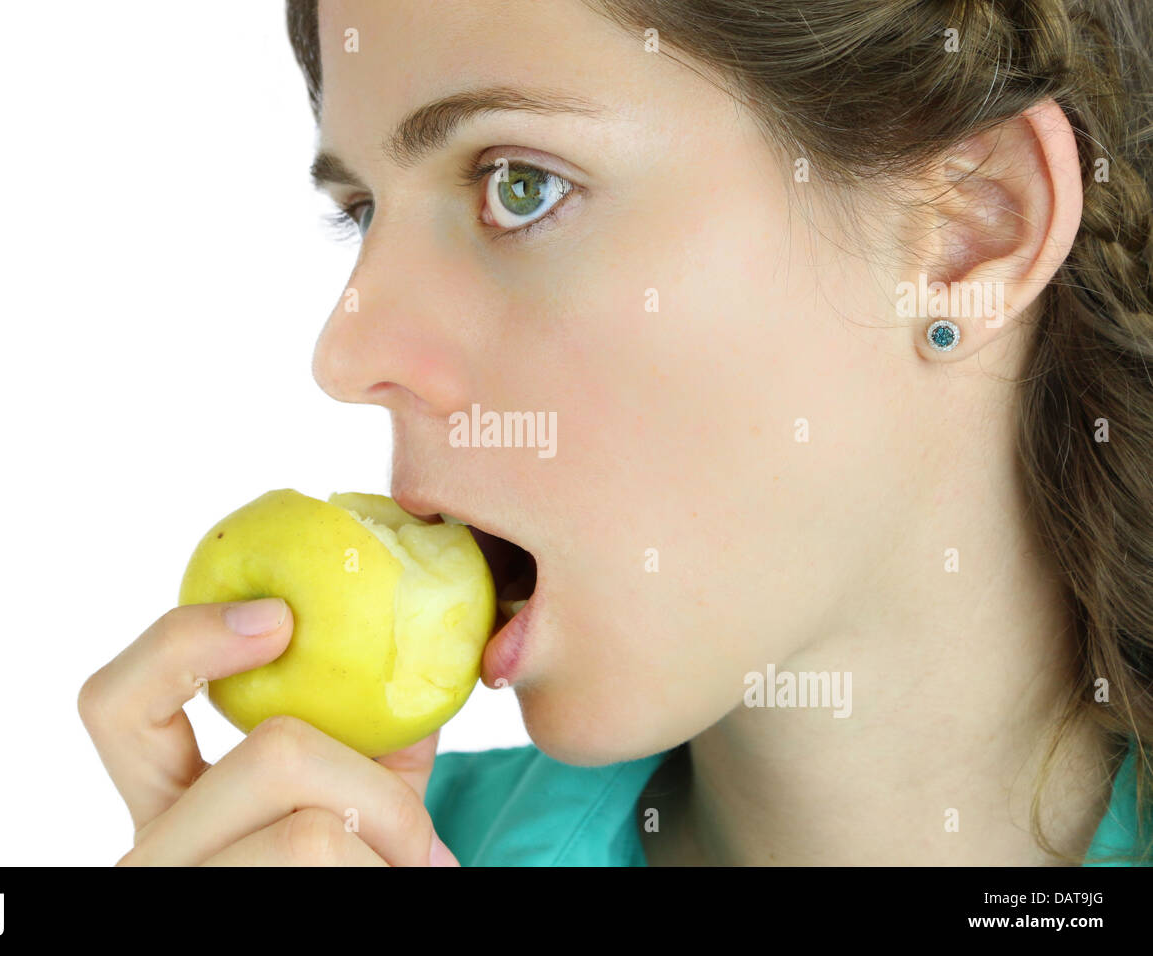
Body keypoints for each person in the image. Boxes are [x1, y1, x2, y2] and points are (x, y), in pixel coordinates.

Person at [79, 0, 1153, 865]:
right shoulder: (343, 848)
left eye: (520, 185)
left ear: (973, 226)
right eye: (364, 210)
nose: (345, 354)